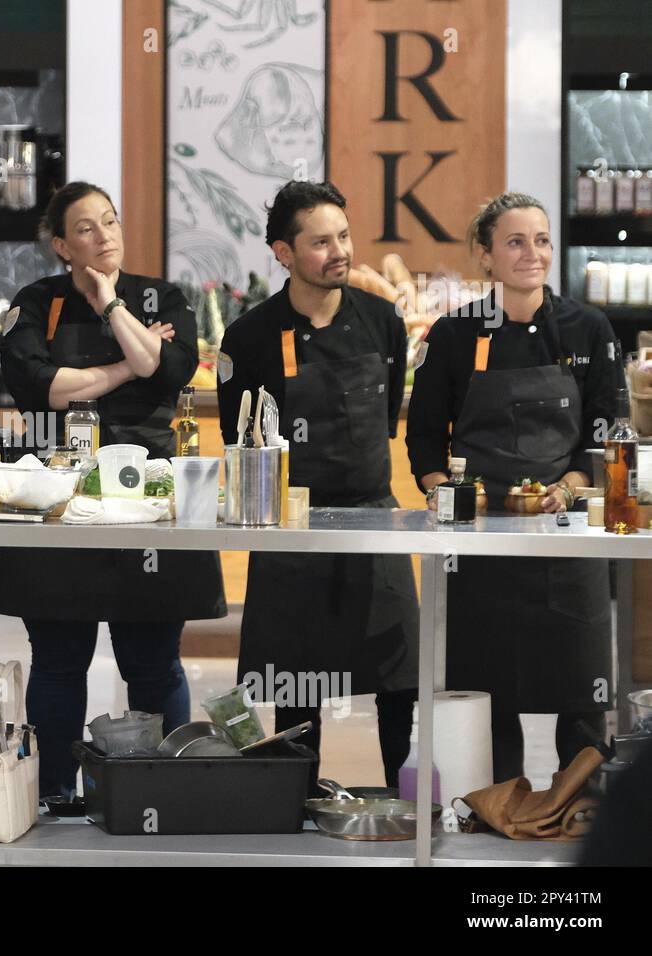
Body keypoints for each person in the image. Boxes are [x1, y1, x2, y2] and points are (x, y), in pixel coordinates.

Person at [0, 181, 226, 800]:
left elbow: (171, 370)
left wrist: (113, 304)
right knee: (60, 660)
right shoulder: (36, 302)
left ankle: (159, 790)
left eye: (111, 222)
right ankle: (58, 790)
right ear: (61, 245)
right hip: (58, 500)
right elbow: (40, 387)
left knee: (153, 661)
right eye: (85, 228)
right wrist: (125, 366)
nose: (103, 236)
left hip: (150, 501)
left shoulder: (160, 295)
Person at [407, 192, 618, 782]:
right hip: (481, 548)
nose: (534, 253)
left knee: (581, 695)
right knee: (487, 695)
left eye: (543, 240)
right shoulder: (453, 334)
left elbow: (605, 433)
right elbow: (423, 438)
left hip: (567, 542)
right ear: (486, 255)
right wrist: (444, 494)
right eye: (516, 242)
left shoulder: (588, 327)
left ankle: (580, 815)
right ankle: (495, 812)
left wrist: (571, 486)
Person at [220, 181, 419, 788]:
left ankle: (398, 800)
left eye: (343, 237)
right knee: (297, 684)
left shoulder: (383, 322)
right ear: (283, 252)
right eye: (319, 242)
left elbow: (386, 425)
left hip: (375, 520)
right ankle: (297, 802)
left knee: (397, 681)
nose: (339, 252)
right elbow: (239, 437)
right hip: (291, 530)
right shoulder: (249, 337)